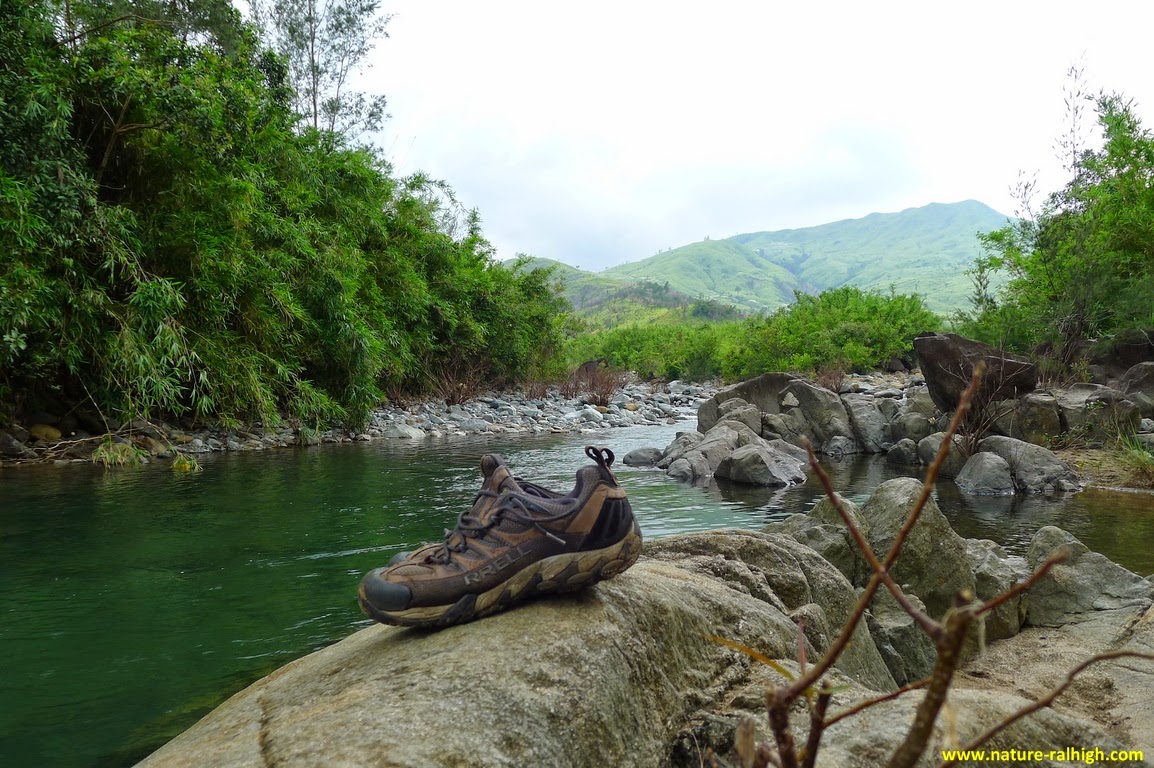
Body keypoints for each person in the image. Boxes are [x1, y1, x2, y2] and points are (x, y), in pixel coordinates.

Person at [358, 446, 641, 629]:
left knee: (517, 502)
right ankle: (484, 537)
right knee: (512, 493)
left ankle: (572, 532)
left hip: (573, 534)